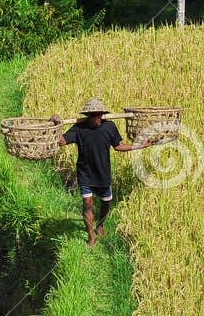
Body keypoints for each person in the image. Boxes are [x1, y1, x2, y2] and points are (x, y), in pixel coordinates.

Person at [52, 97, 154, 246]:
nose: (96, 118)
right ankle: (91, 236)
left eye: (98, 114)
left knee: (106, 202)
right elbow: (61, 141)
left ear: (102, 114)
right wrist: (56, 125)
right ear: (87, 116)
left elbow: (118, 146)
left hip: (103, 173)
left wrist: (140, 146)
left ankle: (100, 225)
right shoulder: (79, 129)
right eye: (93, 115)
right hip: (85, 173)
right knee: (87, 203)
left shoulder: (109, 127)